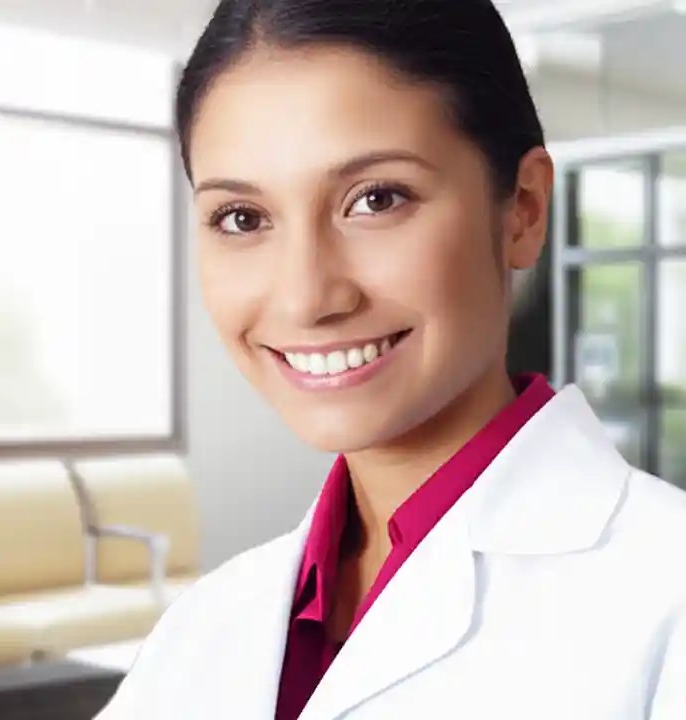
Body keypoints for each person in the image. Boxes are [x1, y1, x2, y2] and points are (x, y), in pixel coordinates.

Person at [95, 0, 686, 718]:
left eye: (376, 199)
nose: (307, 296)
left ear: (523, 210)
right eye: (242, 218)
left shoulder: (665, 597)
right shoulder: (204, 627)